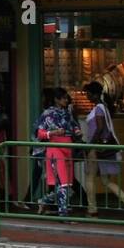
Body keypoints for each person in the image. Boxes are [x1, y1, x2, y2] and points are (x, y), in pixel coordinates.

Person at [82, 81, 124, 219]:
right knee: (106, 180)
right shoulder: (103, 107)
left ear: (95, 94)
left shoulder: (99, 109)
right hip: (103, 148)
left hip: (96, 148)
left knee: (89, 178)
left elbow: (100, 128)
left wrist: (90, 145)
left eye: (88, 94)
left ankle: (92, 210)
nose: (87, 96)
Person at [35, 88, 79, 216]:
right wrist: (53, 133)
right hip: (55, 148)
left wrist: (77, 131)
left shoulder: (67, 112)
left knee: (67, 186)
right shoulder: (47, 113)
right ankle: (63, 213)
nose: (66, 100)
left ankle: (43, 200)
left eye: (66, 98)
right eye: (64, 98)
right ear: (56, 99)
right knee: (63, 183)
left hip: (68, 148)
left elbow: (74, 125)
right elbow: (40, 133)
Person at [23, 88, 57, 206]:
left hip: (45, 149)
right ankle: (32, 200)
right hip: (45, 148)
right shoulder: (55, 112)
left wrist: (36, 144)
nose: (41, 100)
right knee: (42, 175)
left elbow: (41, 132)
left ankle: (48, 202)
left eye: (43, 97)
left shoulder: (48, 113)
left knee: (47, 176)